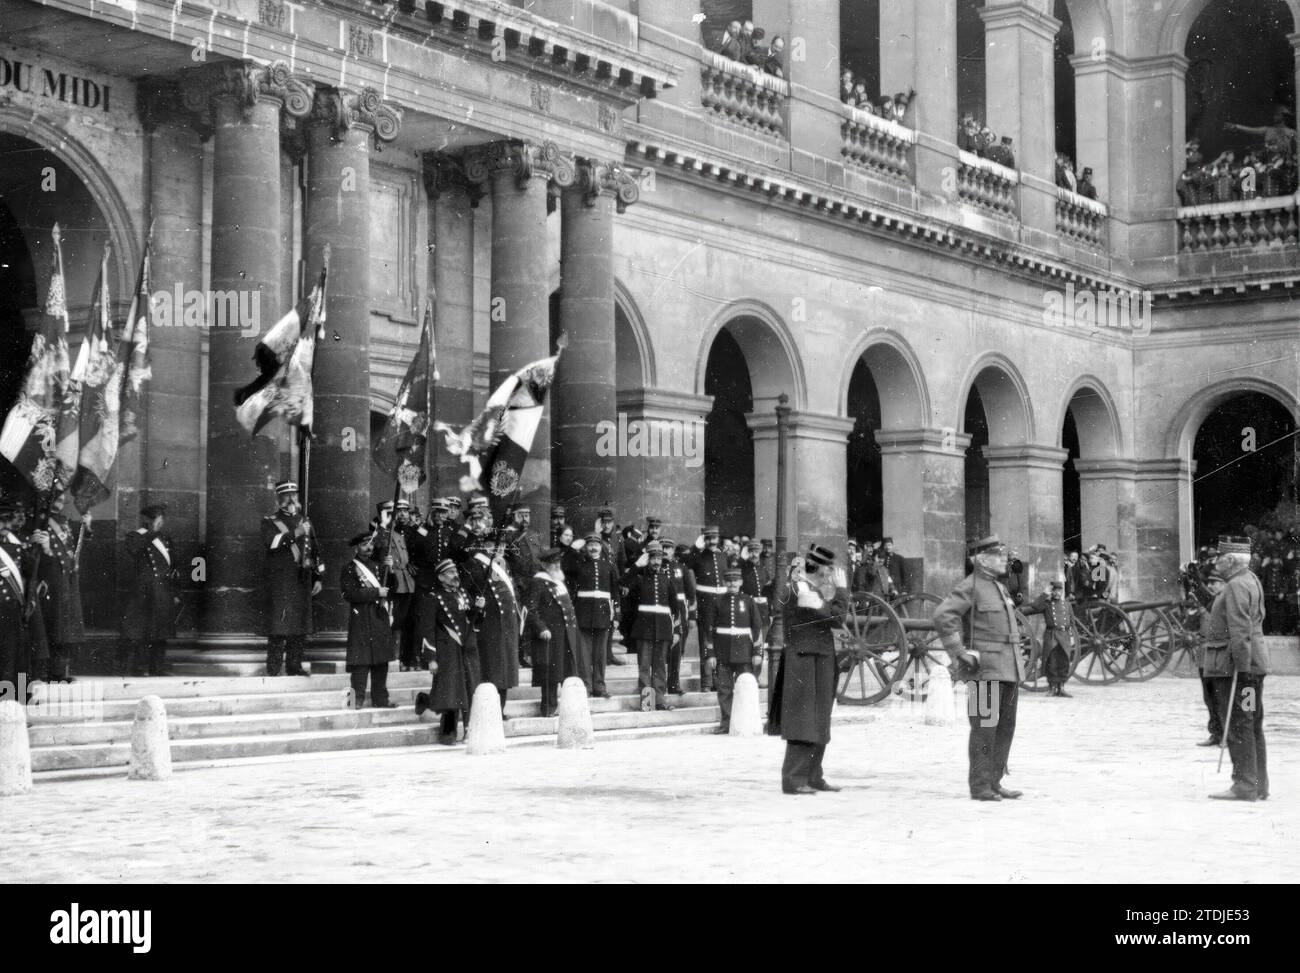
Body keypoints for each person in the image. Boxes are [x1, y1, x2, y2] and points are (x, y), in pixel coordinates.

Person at [932, 535, 1026, 801]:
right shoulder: (970, 586)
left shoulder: (999, 587)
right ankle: (980, 786)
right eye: (999, 555)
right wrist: (959, 653)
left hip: (1008, 667)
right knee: (984, 729)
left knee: (1005, 728)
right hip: (984, 670)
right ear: (982, 560)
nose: (1004, 559)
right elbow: (943, 616)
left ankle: (994, 782)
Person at [767, 544, 848, 795]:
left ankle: (813, 776)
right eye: (829, 569)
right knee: (803, 719)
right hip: (804, 661)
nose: (831, 574)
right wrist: (842, 590)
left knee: (819, 718)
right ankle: (793, 779)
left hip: (817, 659)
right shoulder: (801, 589)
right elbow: (835, 618)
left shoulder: (810, 589)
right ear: (821, 569)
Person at [1201, 537, 1269, 801]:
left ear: (1230, 560)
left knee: (1240, 724)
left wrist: (1242, 670)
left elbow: (1240, 630)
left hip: (1238, 670)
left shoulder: (1236, 585)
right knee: (1251, 723)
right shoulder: (1249, 579)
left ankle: (1243, 784)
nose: (1217, 562)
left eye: (1220, 557)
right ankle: (1258, 783)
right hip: (1251, 668)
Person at [414, 557, 483, 744]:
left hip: (466, 647)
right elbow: (427, 628)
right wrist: (431, 658)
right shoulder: (433, 597)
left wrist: (478, 608)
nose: (455, 576)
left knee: (469, 688)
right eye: (450, 573)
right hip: (447, 649)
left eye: (455, 572)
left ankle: (470, 729)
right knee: (450, 690)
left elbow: (471, 619)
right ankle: (448, 733)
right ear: (441, 577)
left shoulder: (462, 593)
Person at [261, 481, 323, 677]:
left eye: (294, 495)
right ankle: (274, 668)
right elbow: (272, 543)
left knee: (300, 626)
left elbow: (315, 551)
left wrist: (318, 577)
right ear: (279, 499)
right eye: (286, 495)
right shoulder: (270, 521)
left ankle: (294, 666)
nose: (291, 499)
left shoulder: (304, 520)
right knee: (279, 626)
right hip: (281, 581)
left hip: (302, 580)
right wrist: (297, 532)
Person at [461, 530, 519, 714]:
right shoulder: (474, 564)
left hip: (506, 624)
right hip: (488, 624)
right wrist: (475, 606)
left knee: (504, 669)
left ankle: (499, 709)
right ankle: (487, 710)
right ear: (486, 545)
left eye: (502, 545)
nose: (501, 548)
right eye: (496, 544)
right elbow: (464, 592)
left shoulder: (503, 564)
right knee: (490, 668)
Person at [626, 540, 685, 712]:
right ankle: (647, 703)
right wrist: (637, 565)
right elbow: (622, 582)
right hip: (644, 630)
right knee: (645, 668)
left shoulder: (667, 581)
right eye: (653, 558)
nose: (656, 562)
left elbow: (676, 609)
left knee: (660, 668)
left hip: (664, 630)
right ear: (647, 558)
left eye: (659, 558)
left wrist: (676, 631)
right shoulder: (639, 579)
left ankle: (660, 700)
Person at [121, 502, 178, 678]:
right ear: (146, 520)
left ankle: (157, 668)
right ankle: (139, 668)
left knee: (161, 631)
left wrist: (176, 592)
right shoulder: (134, 536)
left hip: (163, 591)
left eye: (160, 519)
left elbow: (173, 567)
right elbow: (134, 549)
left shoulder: (166, 539)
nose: (159, 522)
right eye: (155, 519)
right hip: (145, 592)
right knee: (143, 631)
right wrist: (152, 532)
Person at [341, 531, 396, 709]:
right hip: (361, 618)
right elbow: (349, 593)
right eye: (365, 545)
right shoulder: (349, 568)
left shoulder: (380, 567)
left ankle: (381, 700)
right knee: (359, 663)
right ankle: (352, 702)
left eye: (371, 544)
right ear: (357, 548)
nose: (369, 547)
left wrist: (392, 570)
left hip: (379, 618)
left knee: (381, 662)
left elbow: (391, 590)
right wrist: (375, 592)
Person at [705, 567, 764, 734]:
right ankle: (726, 724)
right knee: (724, 690)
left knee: (744, 688)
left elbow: (757, 628)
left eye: (735, 580)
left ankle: (743, 722)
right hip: (722, 652)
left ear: (740, 582)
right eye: (728, 580)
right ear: (724, 582)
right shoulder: (717, 601)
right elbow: (709, 630)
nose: (732, 583)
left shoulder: (748, 601)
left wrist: (757, 652)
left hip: (744, 652)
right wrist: (710, 654)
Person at [525, 547, 580, 718]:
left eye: (558, 562)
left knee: (566, 671)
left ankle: (568, 707)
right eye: (553, 563)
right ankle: (548, 708)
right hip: (549, 635)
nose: (557, 565)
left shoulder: (558, 581)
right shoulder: (538, 582)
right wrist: (541, 628)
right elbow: (530, 609)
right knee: (550, 673)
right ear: (544, 565)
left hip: (565, 634)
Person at [36, 491, 84, 683]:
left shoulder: (63, 522)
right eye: (56, 499)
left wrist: (86, 526)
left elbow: (73, 548)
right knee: (50, 626)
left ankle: (59, 672)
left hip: (65, 580)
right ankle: (45, 673)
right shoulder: (39, 522)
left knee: (64, 628)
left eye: (62, 499)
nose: (60, 503)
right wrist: (46, 550)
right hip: (49, 580)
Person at [0, 497, 43, 701]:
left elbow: (30, 572)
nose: (4, 527)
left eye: (7, 522)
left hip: (12, 612)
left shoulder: (17, 549)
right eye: (2, 521)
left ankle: (14, 701)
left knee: (15, 656)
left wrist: (35, 549)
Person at [373, 499, 418, 671]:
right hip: (391, 582)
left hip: (405, 582)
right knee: (392, 621)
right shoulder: (379, 533)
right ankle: (391, 656)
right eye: (388, 514)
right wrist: (383, 524)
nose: (393, 517)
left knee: (404, 621)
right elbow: (378, 548)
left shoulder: (398, 534)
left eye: (393, 514)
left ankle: (403, 658)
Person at [571, 532, 618, 699]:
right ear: (586, 547)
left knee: (600, 654)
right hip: (583, 613)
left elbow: (615, 592)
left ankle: (599, 686)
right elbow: (566, 566)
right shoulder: (579, 564)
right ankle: (586, 686)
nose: (592, 547)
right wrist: (572, 549)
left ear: (600, 547)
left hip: (603, 614)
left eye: (596, 545)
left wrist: (617, 615)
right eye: (589, 544)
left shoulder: (609, 566)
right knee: (584, 654)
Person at [687, 526, 728, 690]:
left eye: (714, 538)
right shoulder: (698, 556)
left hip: (721, 604)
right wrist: (696, 547)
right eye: (708, 538)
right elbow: (687, 563)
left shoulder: (723, 556)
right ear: (704, 539)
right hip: (705, 605)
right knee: (706, 642)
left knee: (721, 641)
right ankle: (706, 682)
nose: (712, 541)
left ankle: (718, 680)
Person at [1195, 569, 1226, 747]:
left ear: (1224, 585)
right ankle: (1215, 733)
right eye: (1210, 583)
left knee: (1221, 696)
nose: (1211, 586)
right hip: (1203, 656)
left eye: (1215, 583)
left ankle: (1226, 735)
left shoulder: (1224, 603)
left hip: (1219, 656)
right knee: (1209, 698)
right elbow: (1191, 627)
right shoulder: (1204, 604)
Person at [1030, 581, 1075, 696]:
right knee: (1052, 662)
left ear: (1062, 591)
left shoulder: (1067, 605)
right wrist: (1045, 594)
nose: (1057, 593)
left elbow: (1072, 623)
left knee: (1064, 662)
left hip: (1064, 636)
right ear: (1052, 591)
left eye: (1059, 591)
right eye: (1055, 590)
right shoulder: (1047, 604)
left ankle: (1062, 687)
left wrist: (1072, 637)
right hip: (1052, 636)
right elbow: (1035, 606)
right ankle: (1052, 688)